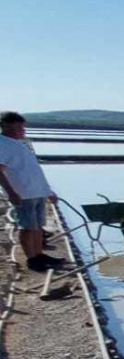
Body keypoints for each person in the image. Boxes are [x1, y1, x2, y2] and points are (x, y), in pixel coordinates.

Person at [0, 111, 61, 272]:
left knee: (37, 226)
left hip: (37, 191)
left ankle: (39, 254)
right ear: (5, 126)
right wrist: (12, 193)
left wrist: (48, 191)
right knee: (27, 227)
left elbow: (35, 170)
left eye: (21, 127)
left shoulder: (21, 144)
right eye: (17, 127)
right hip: (23, 192)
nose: (21, 130)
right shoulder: (3, 144)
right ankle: (32, 259)